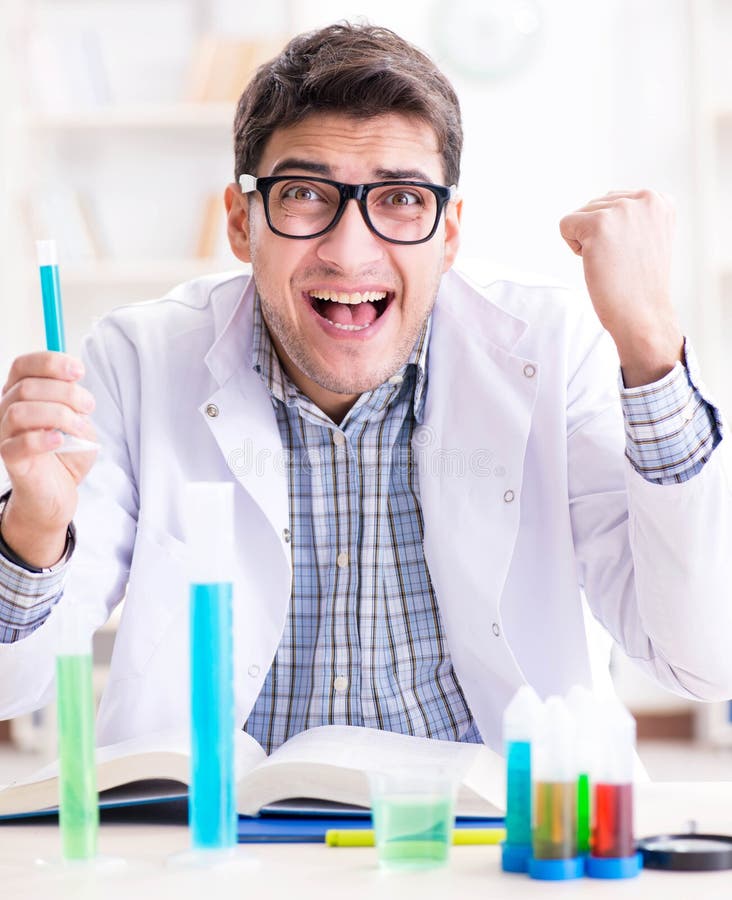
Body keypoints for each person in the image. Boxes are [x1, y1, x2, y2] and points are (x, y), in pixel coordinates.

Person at [0, 22, 730, 755]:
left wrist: (651, 347)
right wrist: (32, 525)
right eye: (305, 194)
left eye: (402, 199)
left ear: (449, 234)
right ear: (239, 222)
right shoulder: (135, 361)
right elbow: (12, 686)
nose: (350, 254)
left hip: (484, 839)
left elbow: (702, 660)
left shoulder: (550, 352)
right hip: (219, 839)